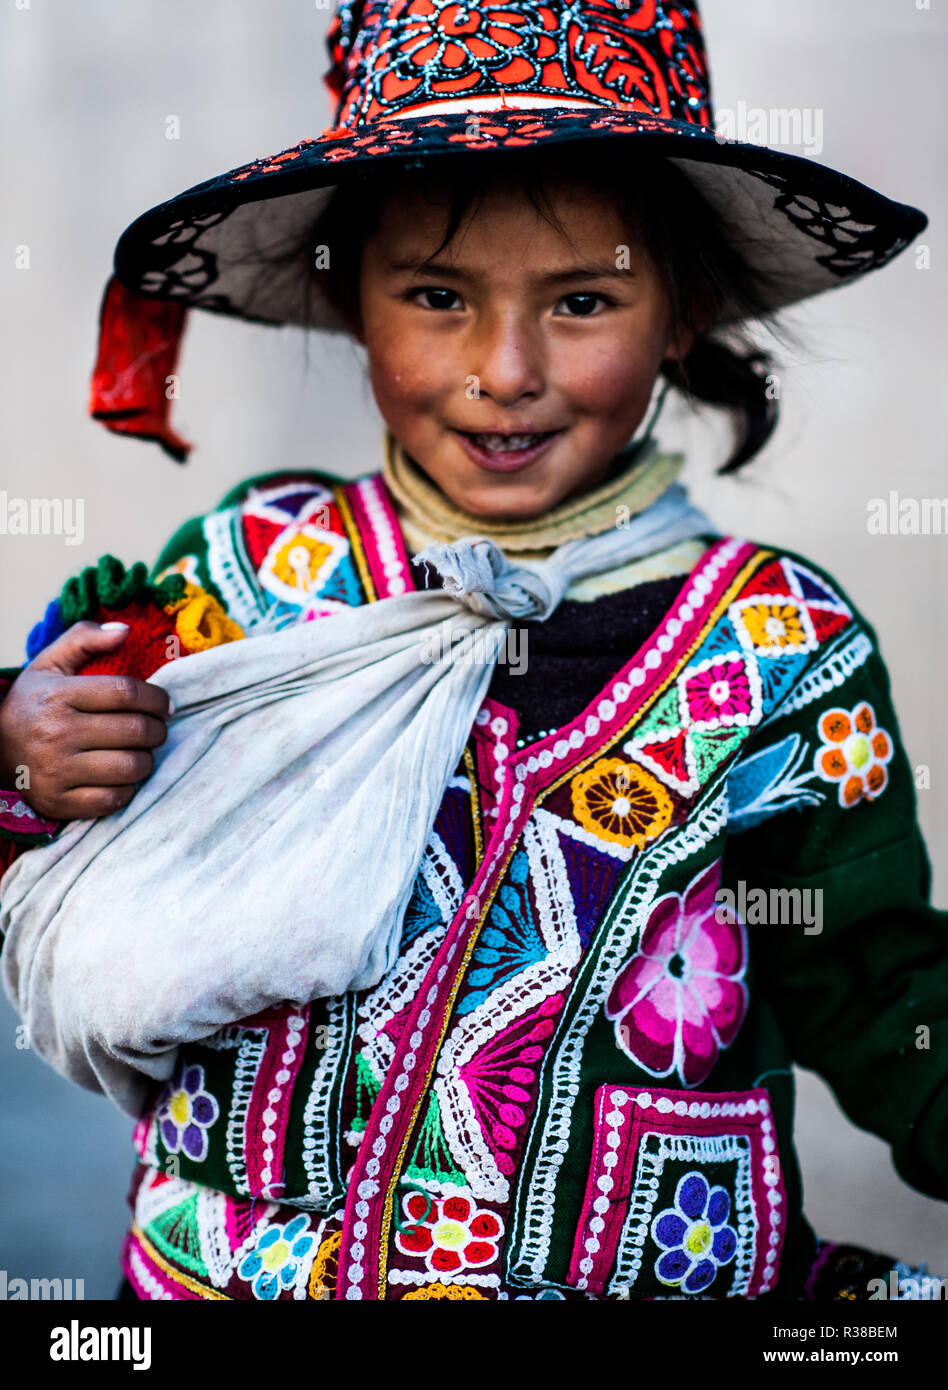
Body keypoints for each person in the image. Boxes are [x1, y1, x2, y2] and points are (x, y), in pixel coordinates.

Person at [0, 0, 944, 1303]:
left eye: (583, 300)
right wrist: (26, 748)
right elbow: (59, 831)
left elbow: (874, 982)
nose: (504, 369)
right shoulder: (247, 584)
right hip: (238, 1278)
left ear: (685, 311)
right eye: (438, 297)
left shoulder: (780, 648)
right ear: (347, 296)